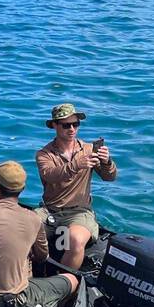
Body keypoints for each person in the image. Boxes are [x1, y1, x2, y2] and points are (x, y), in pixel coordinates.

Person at [0, 161, 77, 307]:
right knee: (72, 280)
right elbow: (42, 257)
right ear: (22, 189)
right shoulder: (33, 219)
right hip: (9, 301)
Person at [35, 102, 116, 271]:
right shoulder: (44, 154)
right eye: (66, 125)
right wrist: (76, 165)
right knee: (21, 229)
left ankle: (63, 284)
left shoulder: (88, 149)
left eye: (75, 124)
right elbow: (50, 175)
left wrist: (107, 162)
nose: (72, 129)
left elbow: (109, 177)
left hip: (79, 212)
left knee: (76, 241)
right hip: (49, 210)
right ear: (55, 126)